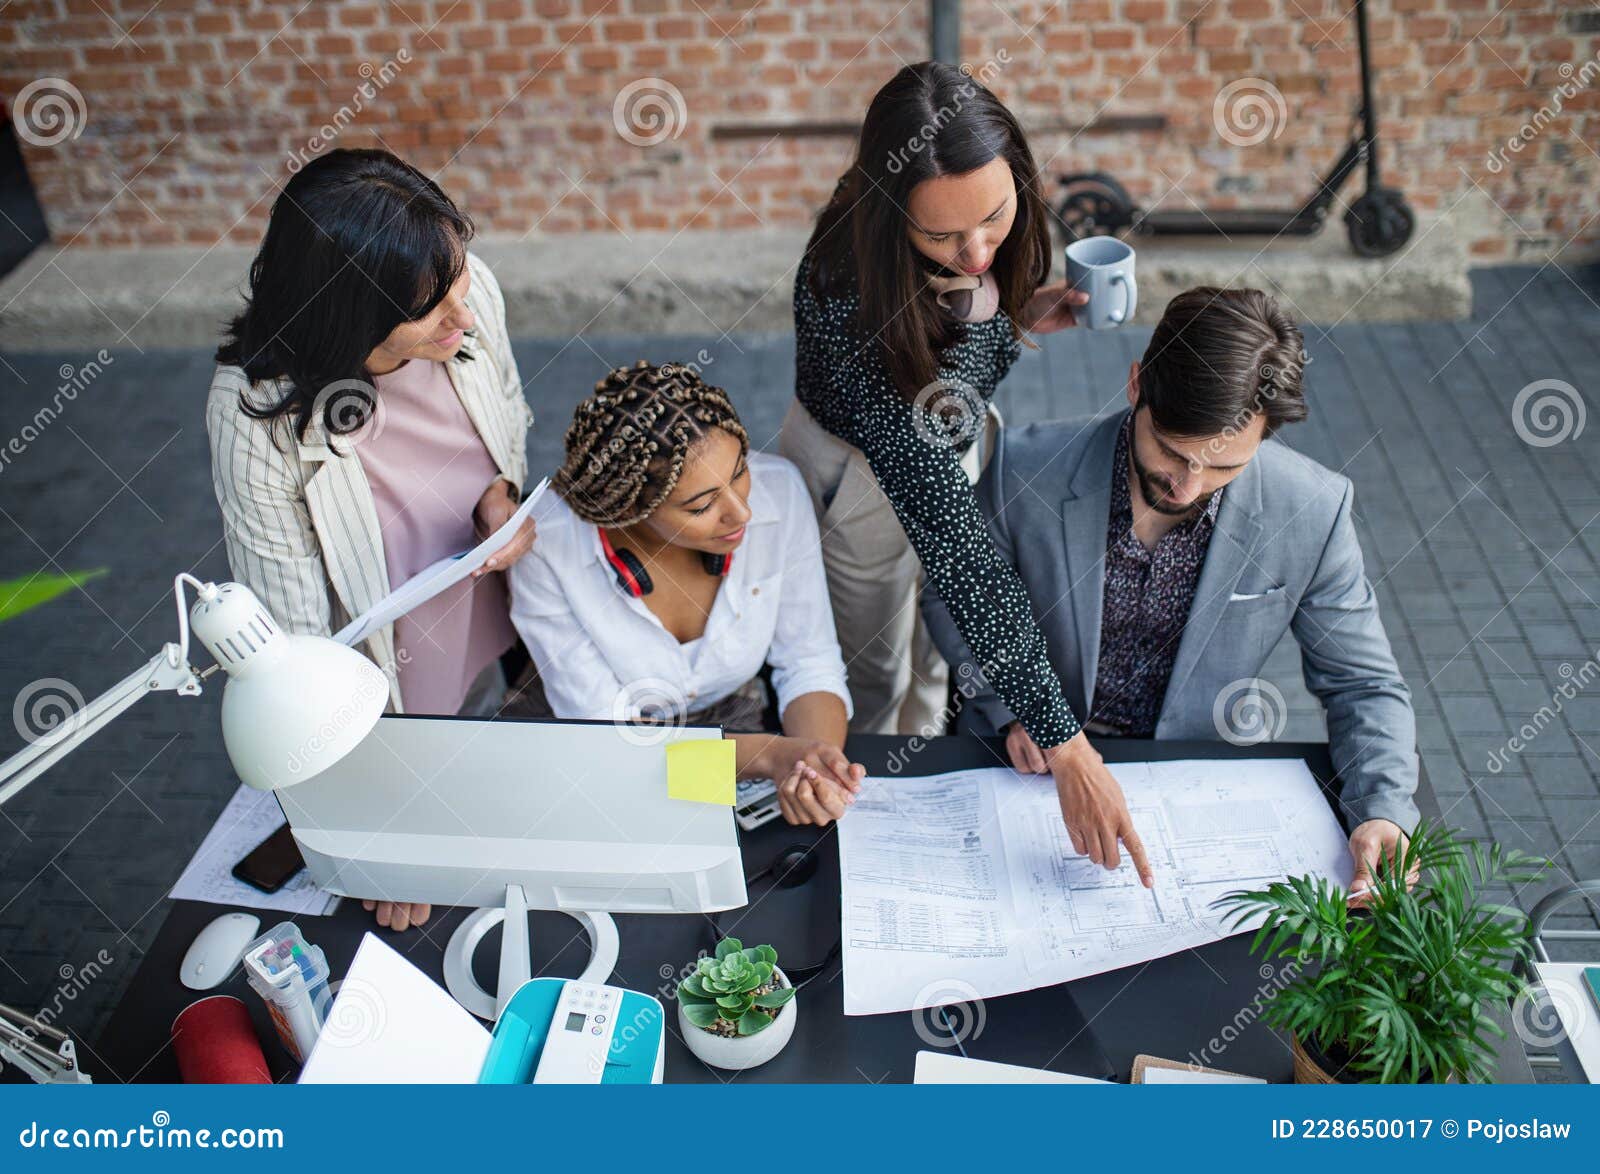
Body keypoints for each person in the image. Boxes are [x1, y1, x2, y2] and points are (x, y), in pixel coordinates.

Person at [922, 287, 1420, 895]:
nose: (1188, 485)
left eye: (1224, 468)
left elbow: (1362, 683)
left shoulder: (1312, 510)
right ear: (1137, 387)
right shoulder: (1025, 467)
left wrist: (1382, 808)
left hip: (1194, 785)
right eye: (1173, 452)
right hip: (1023, 769)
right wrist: (1018, 713)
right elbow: (950, 600)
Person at [781, 62, 1143, 871]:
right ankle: (859, 846)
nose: (978, 250)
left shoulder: (972, 250)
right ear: (888, 213)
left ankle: (921, 786)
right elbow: (966, 557)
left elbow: (956, 356)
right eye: (942, 236)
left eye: (993, 217)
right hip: (857, 481)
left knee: (935, 665)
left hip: (942, 448)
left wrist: (1011, 315)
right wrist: (1066, 743)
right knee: (867, 673)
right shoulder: (847, 296)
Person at [206, 148, 536, 931]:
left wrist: (503, 496)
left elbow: (510, 407)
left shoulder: (462, 283)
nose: (465, 314)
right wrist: (379, 822)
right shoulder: (252, 413)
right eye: (432, 310)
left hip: (479, 569)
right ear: (349, 313)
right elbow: (293, 644)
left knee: (484, 698)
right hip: (382, 634)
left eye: (459, 280)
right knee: (424, 734)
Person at [509, 361, 865, 827]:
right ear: (628, 510)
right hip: (590, 735)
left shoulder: (781, 491)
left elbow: (808, 660)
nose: (742, 513)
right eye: (702, 506)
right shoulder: (546, 545)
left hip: (732, 725)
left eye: (738, 473)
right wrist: (771, 757)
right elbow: (614, 744)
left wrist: (815, 768)